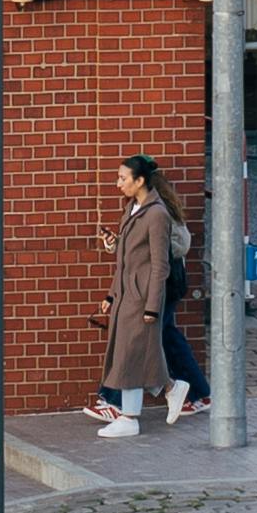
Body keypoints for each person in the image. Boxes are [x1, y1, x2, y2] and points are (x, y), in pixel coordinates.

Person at [96, 152, 173, 433]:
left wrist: (152, 305)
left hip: (141, 297)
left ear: (139, 181)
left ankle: (129, 418)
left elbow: (159, 265)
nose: (118, 184)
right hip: (127, 294)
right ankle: (171, 389)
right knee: (136, 353)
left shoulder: (156, 215)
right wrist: (111, 295)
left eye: (123, 178)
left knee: (129, 355)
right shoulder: (132, 209)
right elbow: (125, 259)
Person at [158, 172, 210, 426]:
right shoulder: (154, 209)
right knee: (168, 336)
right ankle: (198, 391)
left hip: (167, 283)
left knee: (166, 337)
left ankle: (195, 391)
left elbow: (182, 244)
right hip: (167, 284)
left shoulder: (162, 212)